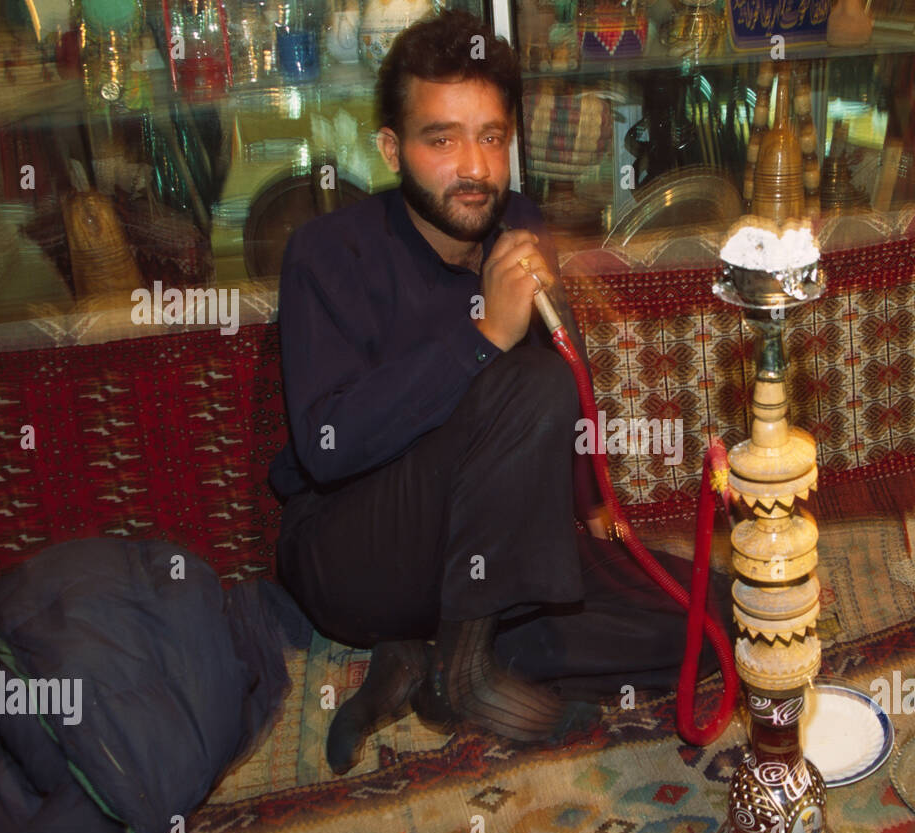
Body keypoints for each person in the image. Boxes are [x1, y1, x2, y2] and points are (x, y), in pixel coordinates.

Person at [269, 10, 729, 774]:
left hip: (479, 554)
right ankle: (470, 676)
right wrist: (481, 334)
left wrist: (590, 504)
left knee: (712, 622)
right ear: (392, 149)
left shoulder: (517, 221)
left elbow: (566, 358)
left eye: (490, 136)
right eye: (440, 139)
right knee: (526, 378)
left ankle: (424, 654)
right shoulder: (327, 252)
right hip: (352, 549)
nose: (473, 166)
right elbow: (328, 448)